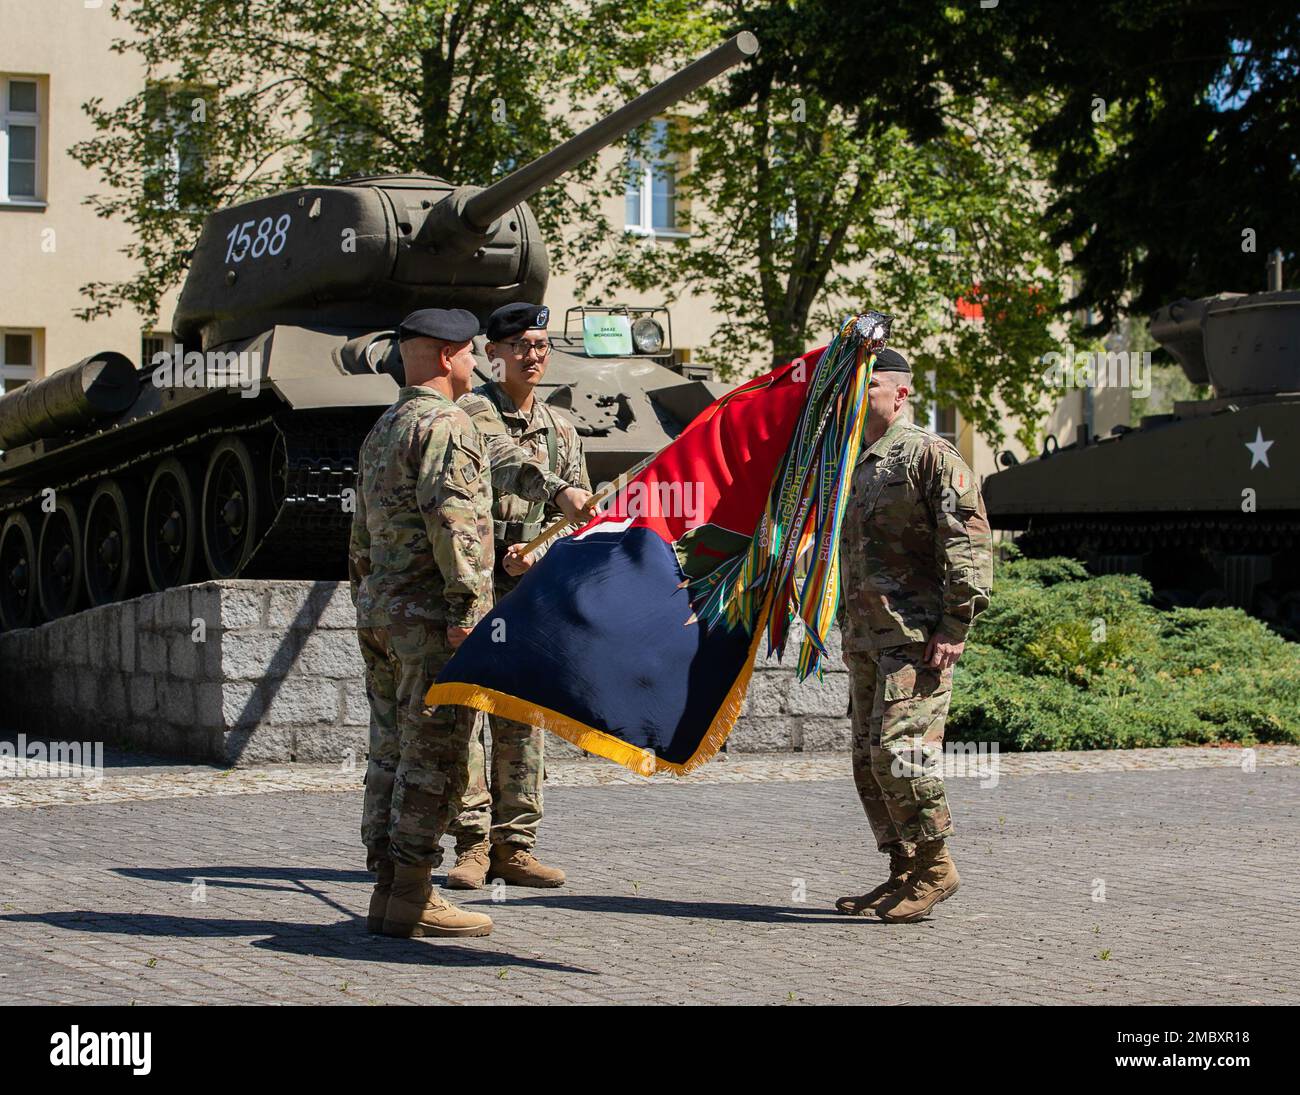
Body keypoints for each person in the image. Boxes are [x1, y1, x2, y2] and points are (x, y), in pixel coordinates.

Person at [348, 307, 592, 938]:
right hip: (434, 618)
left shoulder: (384, 427)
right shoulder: (449, 423)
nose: (475, 362)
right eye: (467, 352)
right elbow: (456, 526)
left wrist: (369, 603)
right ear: (447, 355)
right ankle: (414, 895)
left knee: (391, 750)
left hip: (384, 616)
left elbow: (360, 537)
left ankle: (388, 890)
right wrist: (467, 612)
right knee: (436, 752)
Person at [834, 346, 993, 923]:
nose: (856, 395)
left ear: (900, 393)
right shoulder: (855, 461)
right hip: (866, 637)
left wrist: (955, 623)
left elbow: (966, 541)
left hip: (916, 637)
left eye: (869, 385)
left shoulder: (929, 455)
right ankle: (903, 868)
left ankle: (936, 865)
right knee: (867, 758)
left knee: (901, 753)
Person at [445, 302, 591, 890]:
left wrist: (539, 551)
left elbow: (578, 517)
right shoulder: (471, 413)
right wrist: (499, 553)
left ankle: (516, 844)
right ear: (493, 353)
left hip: (530, 590)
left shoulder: (561, 428)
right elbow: (488, 479)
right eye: (521, 346)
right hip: (476, 584)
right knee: (468, 711)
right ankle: (472, 844)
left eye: (541, 345)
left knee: (523, 714)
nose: (533, 356)